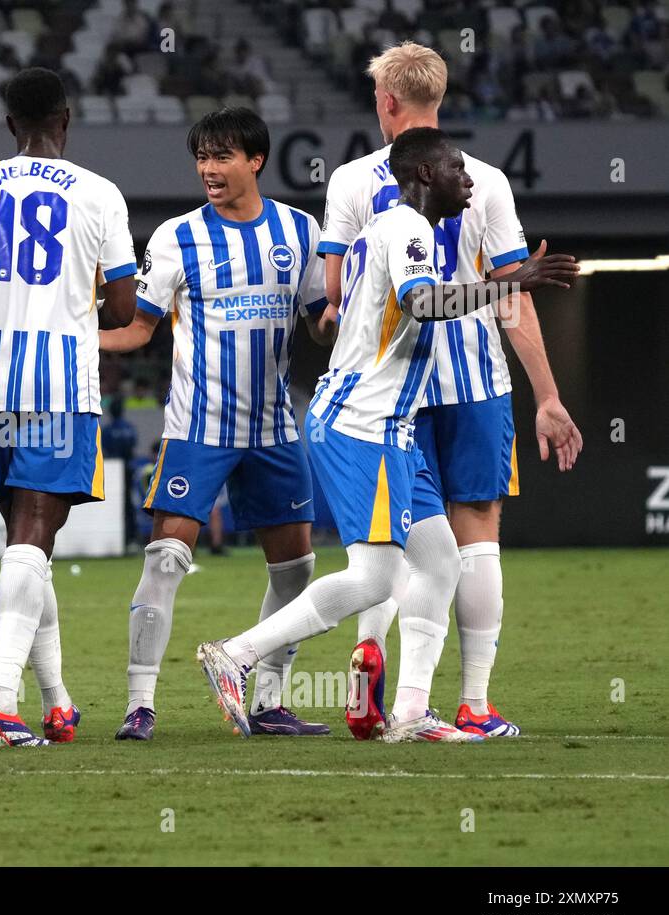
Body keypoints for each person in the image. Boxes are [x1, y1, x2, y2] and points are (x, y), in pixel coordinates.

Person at [196, 126, 579, 743]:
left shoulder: (406, 230)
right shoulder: (406, 228)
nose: (469, 180)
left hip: (389, 428)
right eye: (457, 169)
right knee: (375, 577)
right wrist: (515, 279)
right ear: (426, 175)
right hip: (360, 425)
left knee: (441, 562)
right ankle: (235, 655)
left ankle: (408, 713)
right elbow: (424, 302)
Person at [317, 43, 583, 739]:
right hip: (471, 383)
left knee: (396, 545)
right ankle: (470, 702)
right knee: (475, 541)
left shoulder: (350, 181)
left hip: (387, 389)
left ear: (385, 101)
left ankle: (370, 650)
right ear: (441, 96)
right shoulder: (483, 178)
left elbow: (339, 298)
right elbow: (513, 299)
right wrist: (548, 396)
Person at [101, 107, 329, 741]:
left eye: (222, 156)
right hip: (197, 427)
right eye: (202, 156)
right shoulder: (177, 236)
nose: (209, 168)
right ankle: (140, 705)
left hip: (275, 429)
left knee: (296, 569)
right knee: (166, 557)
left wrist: (361, 317)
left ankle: (270, 700)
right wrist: (71, 338)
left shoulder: (299, 230)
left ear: (255, 160)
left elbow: (319, 320)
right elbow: (139, 328)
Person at [0, 68, 138, 746]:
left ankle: (55, 699)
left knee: (28, 546)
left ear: (7, 125)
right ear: (67, 119)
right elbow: (122, 307)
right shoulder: (101, 194)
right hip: (61, 387)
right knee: (32, 539)